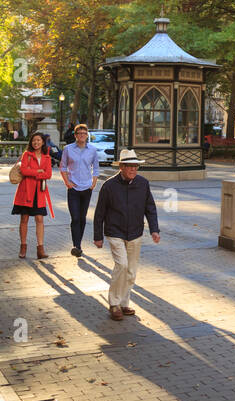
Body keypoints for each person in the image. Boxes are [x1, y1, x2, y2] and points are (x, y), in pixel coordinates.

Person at [92, 149, 160, 321]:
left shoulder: (143, 184)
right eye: (129, 166)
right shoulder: (109, 186)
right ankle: (114, 303)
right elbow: (99, 213)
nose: (133, 170)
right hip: (115, 232)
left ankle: (124, 303)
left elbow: (150, 208)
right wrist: (97, 236)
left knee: (131, 271)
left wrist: (154, 229)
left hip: (136, 232)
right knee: (121, 265)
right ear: (121, 167)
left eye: (136, 167)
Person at [12, 132, 55, 259]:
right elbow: (24, 170)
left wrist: (35, 173)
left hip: (39, 192)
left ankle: (40, 249)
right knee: (24, 219)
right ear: (31, 142)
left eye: (38, 140)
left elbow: (48, 174)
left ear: (43, 142)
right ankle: (23, 246)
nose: (36, 143)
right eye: (34, 140)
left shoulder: (47, 157)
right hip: (25, 191)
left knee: (40, 219)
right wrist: (38, 172)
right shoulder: (27, 155)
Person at [59, 124, 100, 257]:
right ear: (75, 135)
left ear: (87, 135)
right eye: (79, 133)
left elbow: (96, 168)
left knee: (82, 218)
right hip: (74, 188)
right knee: (75, 217)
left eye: (84, 133)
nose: (82, 135)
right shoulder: (68, 149)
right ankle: (76, 245)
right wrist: (67, 182)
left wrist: (93, 184)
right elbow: (63, 167)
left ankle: (79, 244)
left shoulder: (92, 150)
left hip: (87, 188)